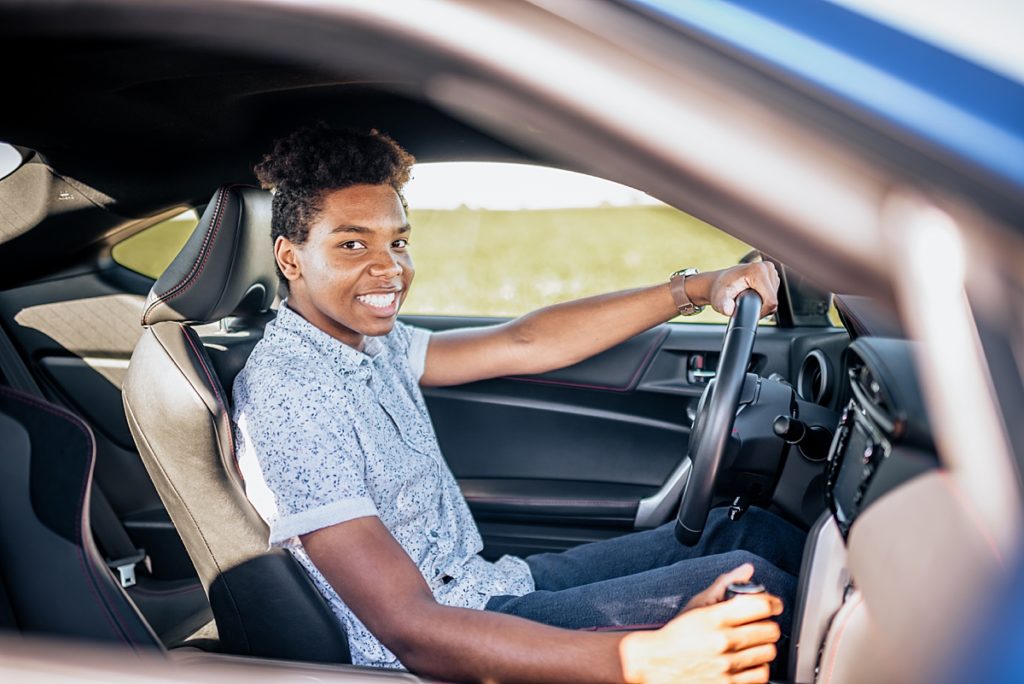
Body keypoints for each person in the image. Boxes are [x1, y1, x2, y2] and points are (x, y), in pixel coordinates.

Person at [233, 123, 805, 683]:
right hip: (439, 639)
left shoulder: (366, 342)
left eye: (398, 241)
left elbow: (522, 342)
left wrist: (694, 289)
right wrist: (639, 662)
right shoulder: (290, 393)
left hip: (485, 586)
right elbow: (409, 626)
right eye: (353, 243)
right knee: (758, 595)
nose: (390, 269)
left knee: (747, 534)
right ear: (290, 258)